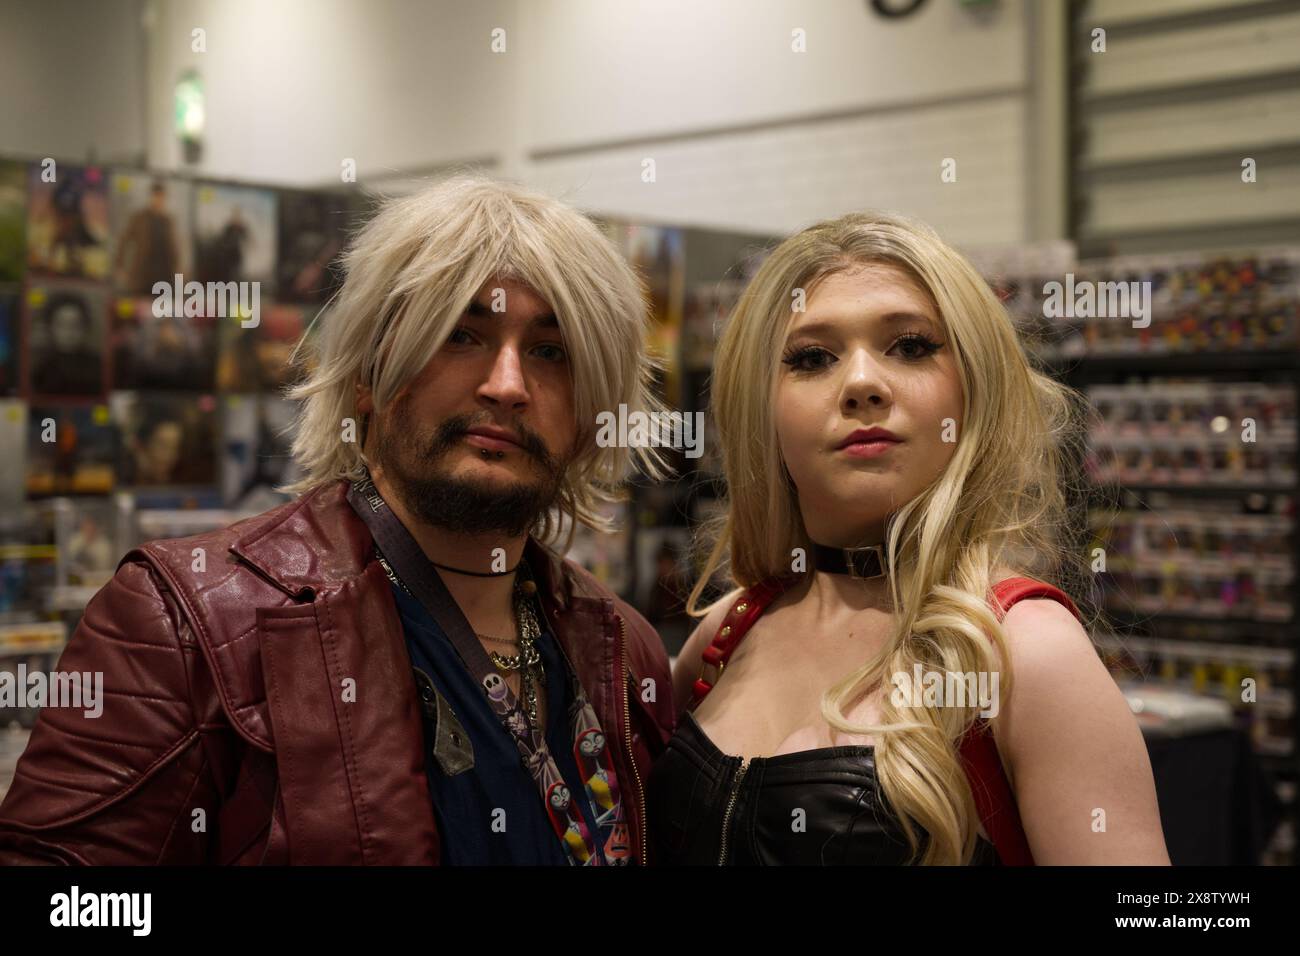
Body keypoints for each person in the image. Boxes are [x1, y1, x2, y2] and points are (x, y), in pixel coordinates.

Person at [0, 175, 676, 865]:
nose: (507, 384)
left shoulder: (623, 653)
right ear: (370, 377)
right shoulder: (187, 625)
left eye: (550, 351)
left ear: (593, 416)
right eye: (462, 334)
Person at [647, 212, 1170, 865]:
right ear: (764, 411)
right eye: (812, 357)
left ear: (973, 390)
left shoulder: (1024, 653)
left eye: (912, 346)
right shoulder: (729, 631)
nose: (863, 382)